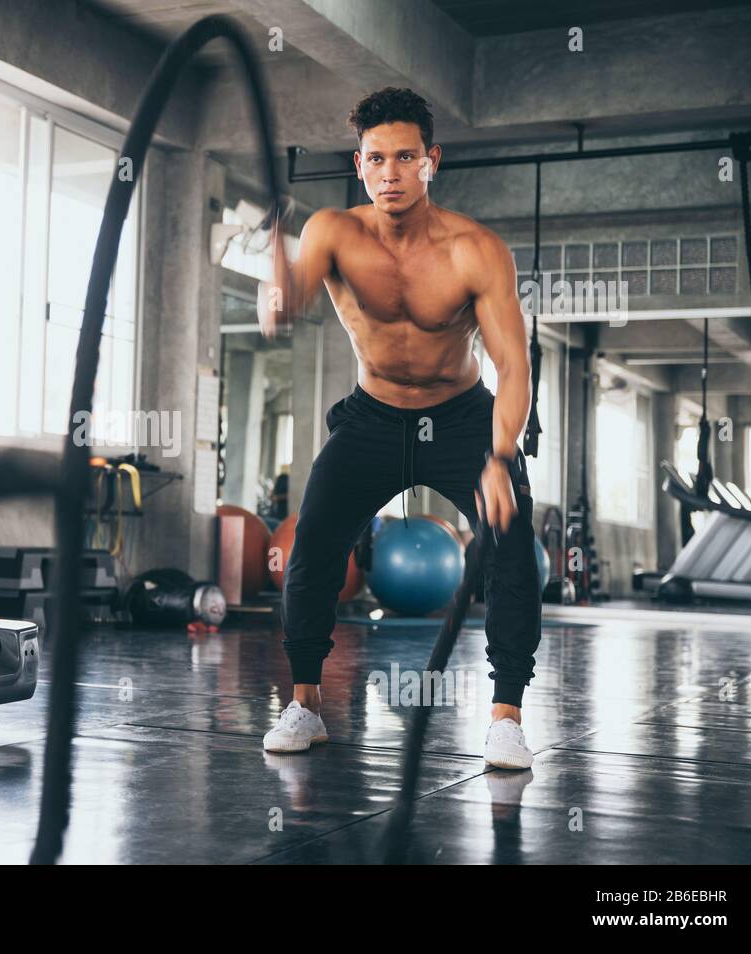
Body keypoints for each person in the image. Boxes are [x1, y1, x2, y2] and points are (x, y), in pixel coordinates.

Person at [258, 87, 539, 770]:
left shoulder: (476, 250)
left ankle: (506, 717)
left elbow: (513, 365)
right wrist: (274, 254)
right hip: (373, 415)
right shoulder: (332, 232)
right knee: (314, 541)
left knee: (510, 545)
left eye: (406, 157)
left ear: (431, 160)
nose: (391, 173)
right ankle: (305, 704)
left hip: (462, 416)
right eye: (377, 159)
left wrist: (501, 458)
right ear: (359, 165)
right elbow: (282, 313)